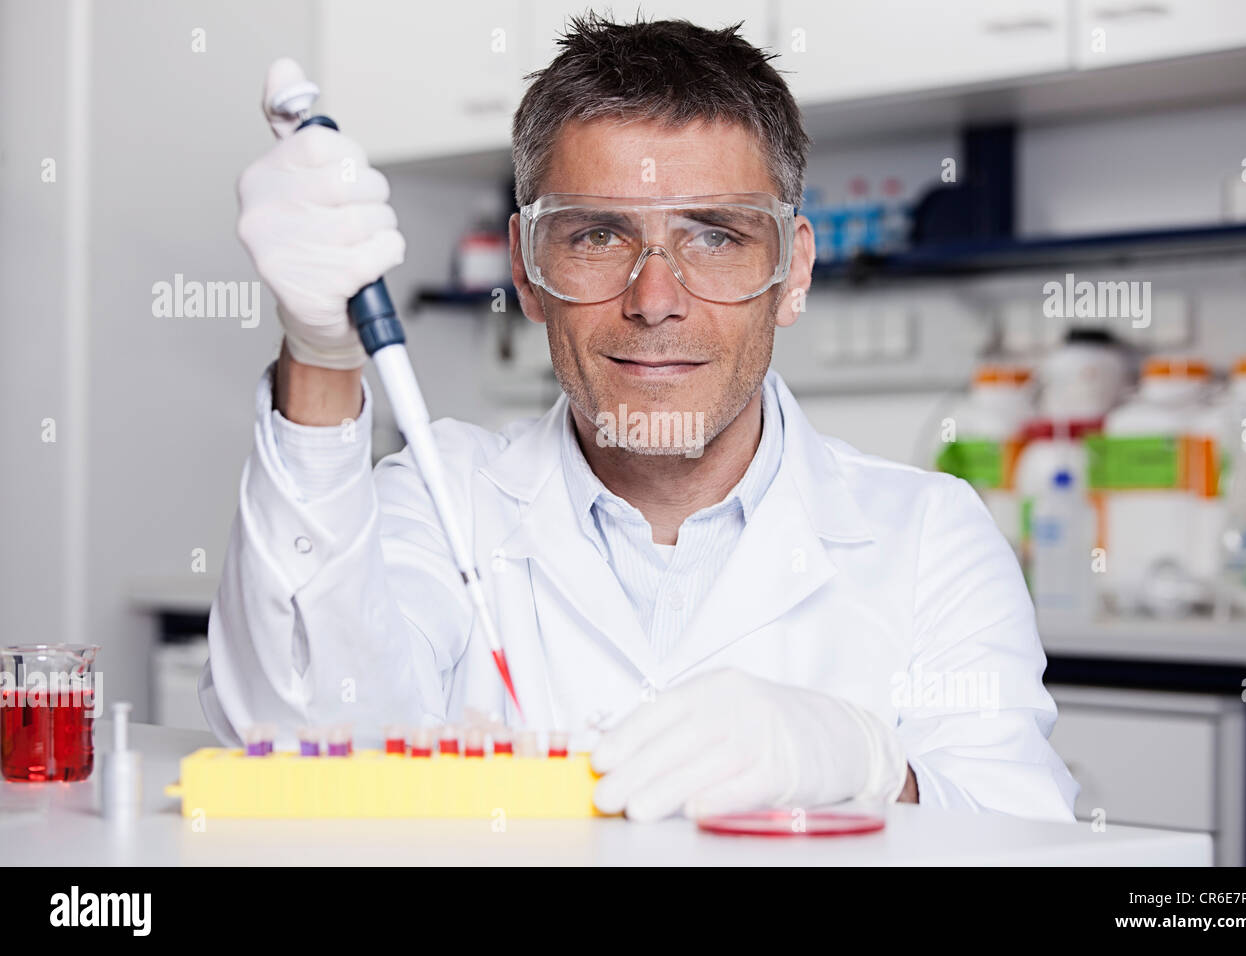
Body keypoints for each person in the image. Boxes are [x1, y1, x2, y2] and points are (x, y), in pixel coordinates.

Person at [202, 14, 1079, 823]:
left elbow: (1033, 838)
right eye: (596, 236)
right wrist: (320, 352)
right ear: (527, 269)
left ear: (795, 270)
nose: (655, 300)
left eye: (716, 235)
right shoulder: (443, 500)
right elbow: (300, 738)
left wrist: (872, 768)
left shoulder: (930, 537)